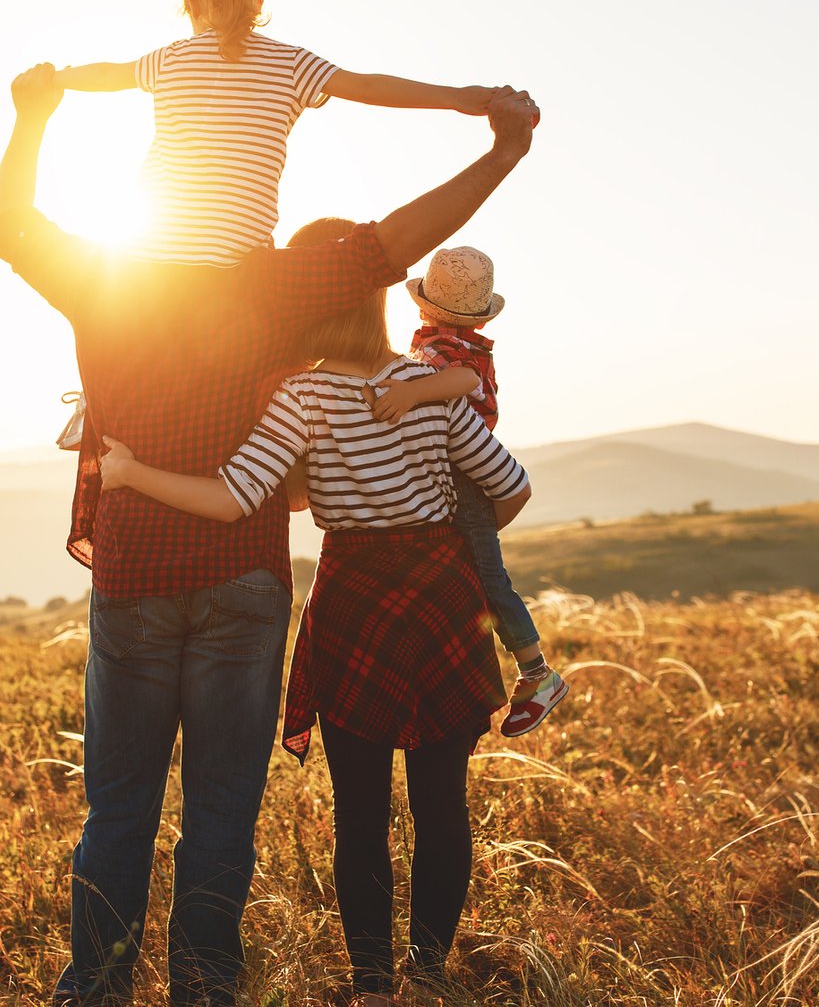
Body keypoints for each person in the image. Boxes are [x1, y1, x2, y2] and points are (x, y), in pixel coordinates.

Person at [0, 61, 539, 1005]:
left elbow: (10, 226)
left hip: (135, 578)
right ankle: (207, 988)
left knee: (119, 807)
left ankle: (98, 988)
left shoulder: (104, 277)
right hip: (245, 584)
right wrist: (503, 148)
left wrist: (34, 118)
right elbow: (402, 239)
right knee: (222, 812)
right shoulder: (281, 286)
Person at [95, 264, 533, 1003]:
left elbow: (235, 499)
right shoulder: (431, 380)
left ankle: (372, 985)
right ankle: (425, 976)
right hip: (441, 600)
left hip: (355, 601)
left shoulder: (302, 394)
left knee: (361, 811)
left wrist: (133, 474)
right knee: (441, 801)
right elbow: (511, 487)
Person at [55, 0, 498, 266]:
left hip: (149, 255)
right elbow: (366, 87)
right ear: (258, 1)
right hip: (238, 262)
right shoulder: (290, 63)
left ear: (187, 2)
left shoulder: (169, 60)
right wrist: (457, 97)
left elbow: (107, 74)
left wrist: (54, 78)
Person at [368, 246, 569, 736]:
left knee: (486, 577)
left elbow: (462, 381)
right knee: (467, 574)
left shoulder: (450, 351)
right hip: (456, 472)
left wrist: (411, 393)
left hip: (464, 473)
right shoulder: (448, 341)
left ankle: (537, 673)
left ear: (423, 304)